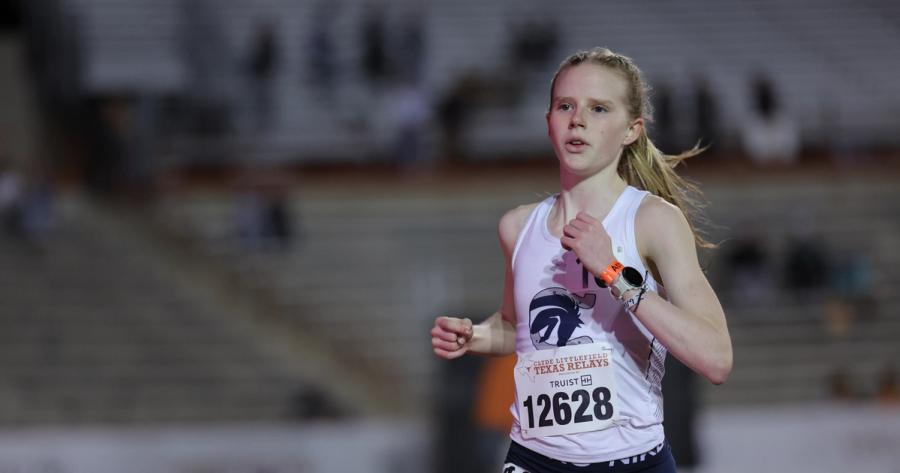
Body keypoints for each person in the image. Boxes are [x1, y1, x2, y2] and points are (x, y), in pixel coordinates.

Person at [430, 47, 732, 473]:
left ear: (632, 129)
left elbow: (716, 359)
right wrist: (475, 335)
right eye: (565, 106)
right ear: (549, 122)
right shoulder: (517, 228)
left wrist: (613, 272)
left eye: (599, 108)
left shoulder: (653, 221)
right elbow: (517, 329)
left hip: (631, 462)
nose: (578, 120)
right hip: (534, 460)